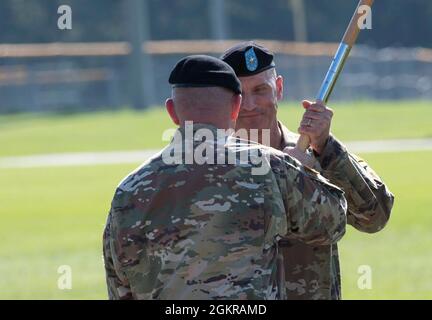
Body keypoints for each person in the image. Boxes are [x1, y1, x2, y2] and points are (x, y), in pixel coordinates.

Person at [102, 55, 347, 300]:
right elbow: (333, 222)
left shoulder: (128, 191)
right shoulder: (270, 167)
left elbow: (119, 284)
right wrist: (304, 170)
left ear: (172, 112)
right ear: (236, 106)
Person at [221, 41, 395, 300]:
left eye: (260, 90)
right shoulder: (212, 167)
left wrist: (325, 147)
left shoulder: (317, 154)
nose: (250, 105)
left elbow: (375, 217)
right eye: (240, 95)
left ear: (278, 88)